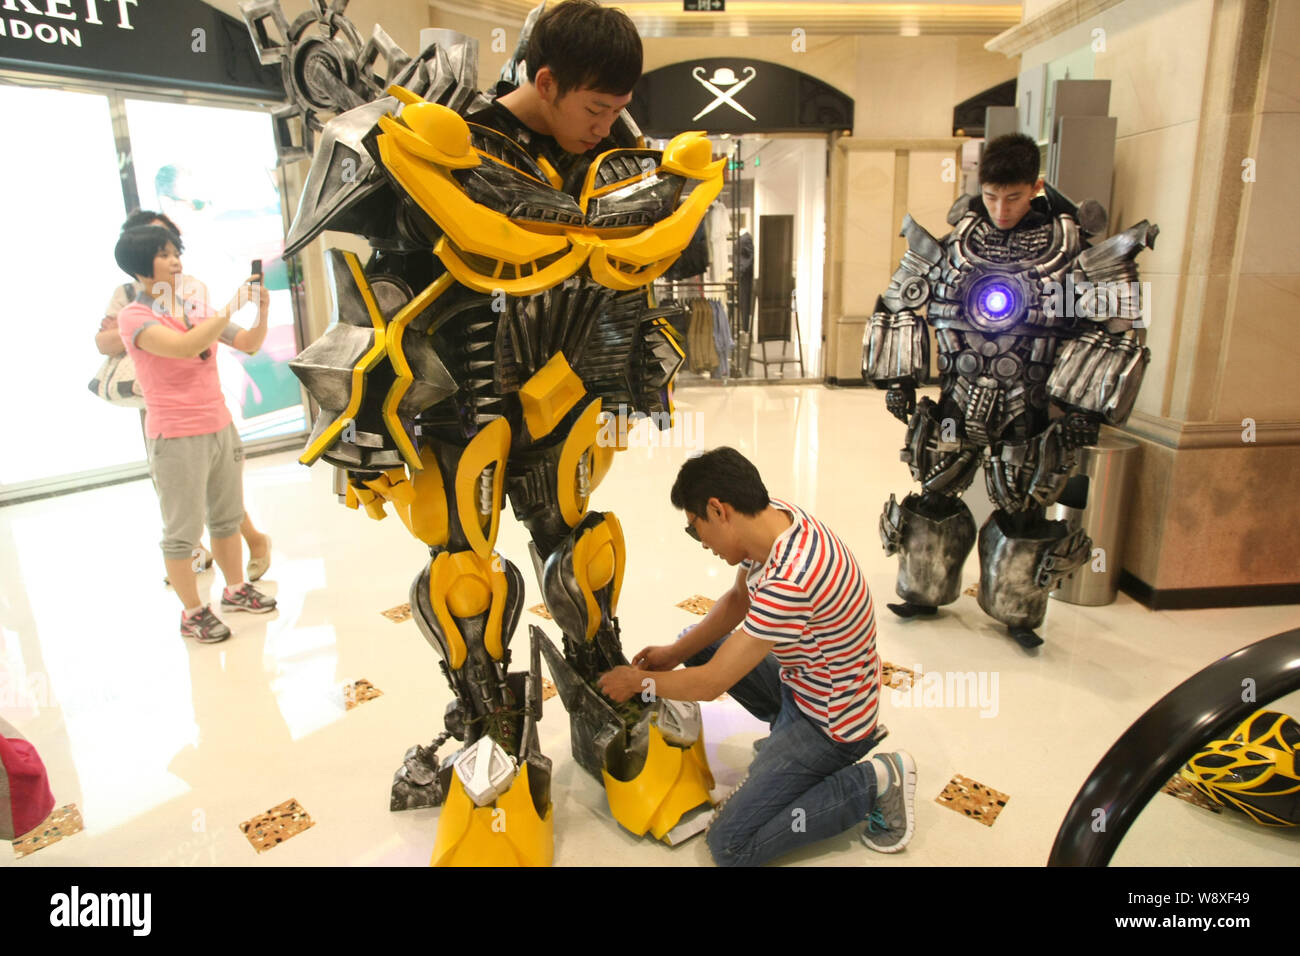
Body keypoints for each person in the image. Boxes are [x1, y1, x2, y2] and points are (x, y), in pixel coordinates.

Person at [597, 447, 917, 866]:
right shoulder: (773, 519)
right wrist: (674, 654)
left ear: (718, 510)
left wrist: (638, 682)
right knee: (694, 641)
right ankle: (784, 741)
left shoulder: (794, 578)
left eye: (696, 529)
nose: (702, 543)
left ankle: (876, 780)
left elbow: (712, 685)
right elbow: (737, 599)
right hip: (805, 681)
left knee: (730, 845)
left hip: (831, 725)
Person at [114, 224, 277, 643]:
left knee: (226, 517)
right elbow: (184, 347)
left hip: (219, 424)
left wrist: (259, 310)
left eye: (176, 253)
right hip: (176, 435)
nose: (176, 262)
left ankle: (236, 589)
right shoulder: (135, 316)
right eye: (165, 255)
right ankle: (192, 613)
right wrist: (231, 305)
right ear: (140, 266)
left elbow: (248, 342)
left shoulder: (190, 306)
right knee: (183, 531)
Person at [464, 0, 641, 185]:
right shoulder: (470, 142)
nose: (604, 130)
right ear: (547, 84)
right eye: (593, 111)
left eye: (617, 111)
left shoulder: (613, 147)